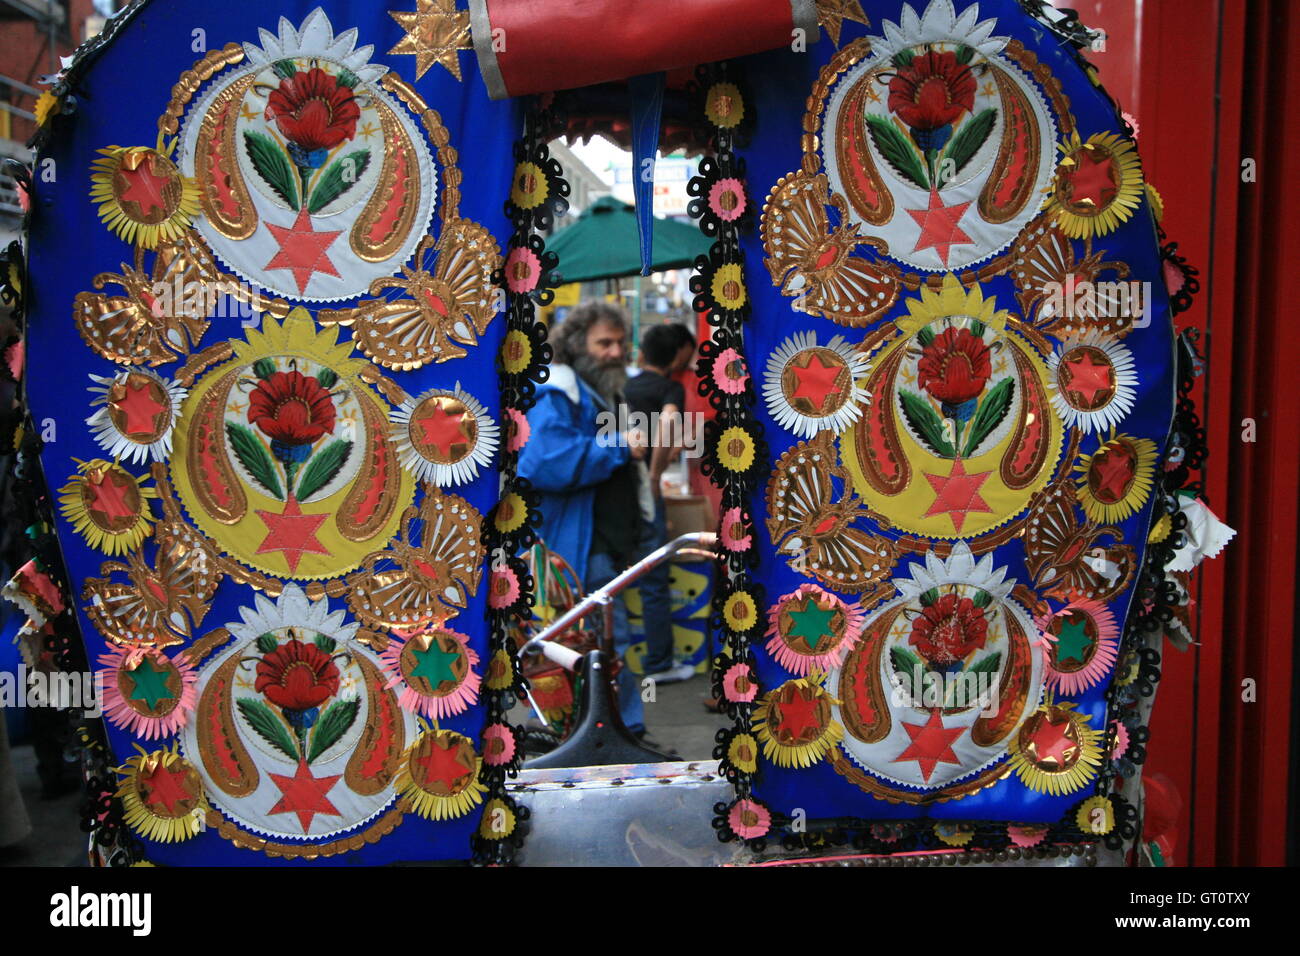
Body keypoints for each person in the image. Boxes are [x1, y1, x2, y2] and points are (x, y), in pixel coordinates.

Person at [518, 302, 654, 738]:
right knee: (591, 644)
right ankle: (611, 734)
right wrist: (620, 446)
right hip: (577, 546)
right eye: (603, 343)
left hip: (602, 543)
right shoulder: (558, 391)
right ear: (577, 346)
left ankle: (613, 732)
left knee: (606, 642)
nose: (615, 352)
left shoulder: (593, 389)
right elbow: (546, 461)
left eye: (620, 343)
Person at [623, 323, 697, 684]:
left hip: (617, 492)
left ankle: (613, 663)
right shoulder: (670, 388)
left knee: (614, 576)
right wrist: (655, 475)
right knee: (652, 576)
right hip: (645, 491)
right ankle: (658, 664)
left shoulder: (626, 386)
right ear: (676, 354)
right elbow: (668, 422)